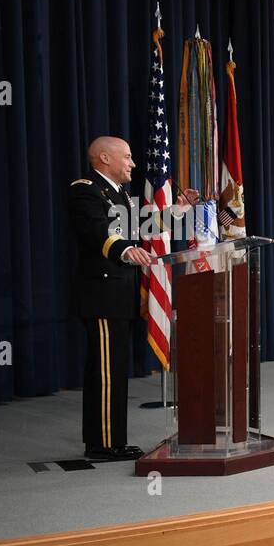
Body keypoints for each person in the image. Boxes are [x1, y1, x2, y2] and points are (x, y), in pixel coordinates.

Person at [69, 135, 197, 461]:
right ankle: (102, 445)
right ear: (104, 158)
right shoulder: (85, 189)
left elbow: (141, 225)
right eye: (126, 157)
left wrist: (178, 212)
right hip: (102, 294)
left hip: (119, 294)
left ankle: (112, 440)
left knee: (115, 370)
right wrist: (124, 248)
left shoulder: (121, 194)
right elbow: (98, 230)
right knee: (105, 372)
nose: (133, 163)